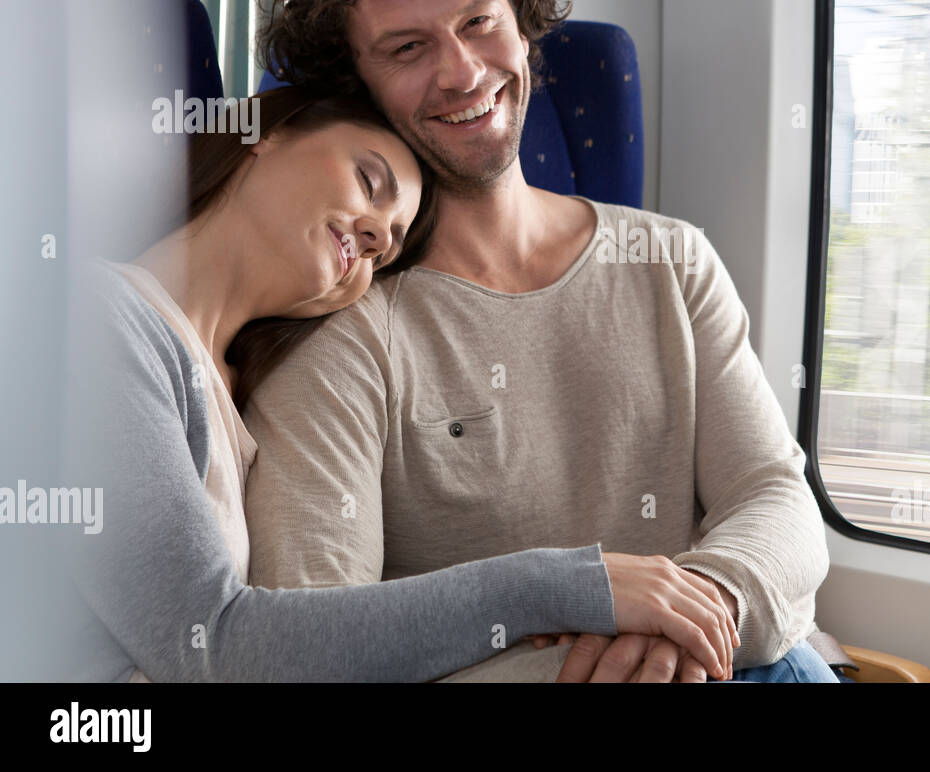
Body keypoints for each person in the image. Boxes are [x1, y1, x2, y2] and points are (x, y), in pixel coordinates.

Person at [244, 0, 834, 683]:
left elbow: (775, 496)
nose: (461, 72)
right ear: (358, 88)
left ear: (524, 30)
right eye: (408, 48)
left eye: (479, 22)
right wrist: (602, 659)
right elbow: (317, 631)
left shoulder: (674, 261)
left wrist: (701, 607)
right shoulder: (341, 320)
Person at [60, 86, 738, 682]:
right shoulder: (92, 316)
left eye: (389, 244)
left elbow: (300, 638)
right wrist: (569, 585)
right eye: (368, 181)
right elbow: (212, 645)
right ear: (261, 136)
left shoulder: (243, 395)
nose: (375, 235)